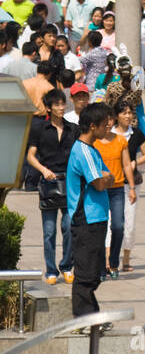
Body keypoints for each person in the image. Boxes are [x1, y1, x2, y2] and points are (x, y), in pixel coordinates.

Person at [66, 102, 115, 316]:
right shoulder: (83, 151)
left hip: (98, 217)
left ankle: (91, 314)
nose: (108, 129)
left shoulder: (93, 150)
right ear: (93, 126)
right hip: (86, 217)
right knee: (86, 271)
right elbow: (99, 182)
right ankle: (84, 318)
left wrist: (107, 177)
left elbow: (111, 178)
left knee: (95, 271)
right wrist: (105, 178)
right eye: (105, 125)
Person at [26, 88, 76, 283]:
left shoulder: (73, 129)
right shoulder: (40, 129)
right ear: (48, 108)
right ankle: (51, 269)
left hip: (69, 182)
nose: (61, 107)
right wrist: (43, 170)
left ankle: (67, 265)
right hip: (48, 183)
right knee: (49, 231)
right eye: (57, 104)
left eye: (63, 103)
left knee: (69, 226)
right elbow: (30, 156)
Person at [94, 110, 136, 281]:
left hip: (117, 188)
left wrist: (132, 187)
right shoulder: (94, 142)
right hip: (99, 188)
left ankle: (113, 262)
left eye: (110, 120)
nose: (108, 123)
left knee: (118, 226)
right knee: (99, 227)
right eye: (105, 120)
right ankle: (100, 266)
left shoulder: (120, 140)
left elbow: (126, 164)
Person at [113, 98, 145, 272]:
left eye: (130, 113)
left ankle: (126, 259)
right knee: (111, 223)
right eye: (124, 113)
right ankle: (109, 259)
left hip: (131, 183)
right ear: (116, 115)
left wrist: (135, 163)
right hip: (111, 184)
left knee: (130, 222)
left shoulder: (137, 134)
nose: (128, 116)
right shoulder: (109, 134)